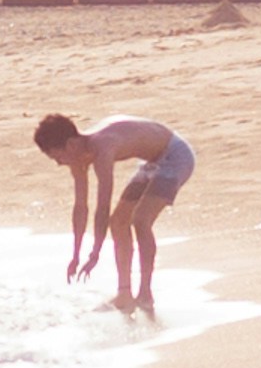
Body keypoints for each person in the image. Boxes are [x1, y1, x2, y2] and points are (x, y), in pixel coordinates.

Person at [34, 109, 194, 312]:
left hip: (175, 156)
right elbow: (81, 207)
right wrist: (76, 255)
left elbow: (102, 206)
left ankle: (145, 293)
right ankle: (124, 294)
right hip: (152, 162)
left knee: (140, 220)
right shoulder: (77, 158)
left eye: (57, 156)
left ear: (71, 144)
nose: (58, 163)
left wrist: (95, 253)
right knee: (118, 221)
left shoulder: (103, 148)